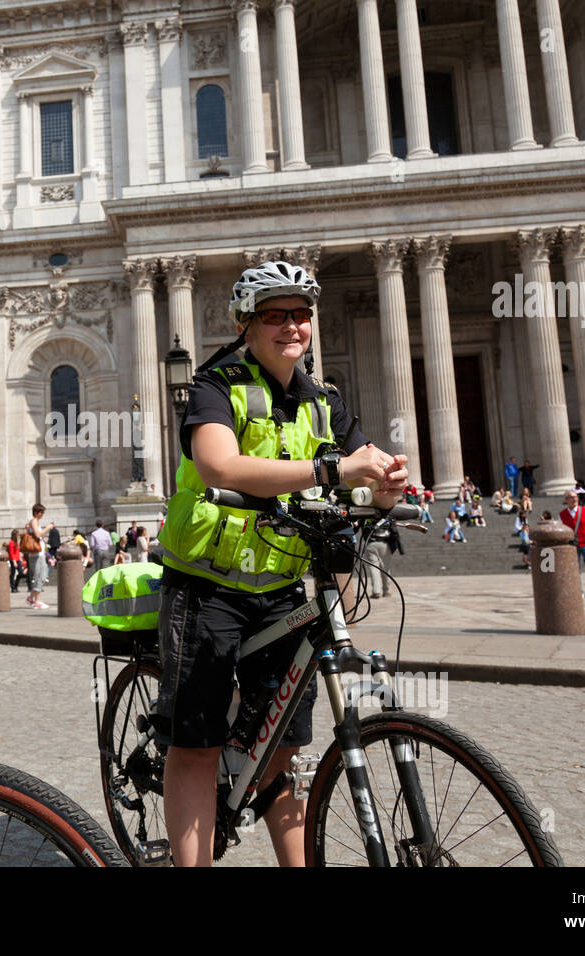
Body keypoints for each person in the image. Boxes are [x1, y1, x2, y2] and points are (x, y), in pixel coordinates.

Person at [156, 259, 407, 867]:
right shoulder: (217, 386)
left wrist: (389, 487)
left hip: (281, 585)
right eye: (275, 315)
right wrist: (331, 472)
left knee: (279, 748)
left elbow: (362, 470)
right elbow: (219, 465)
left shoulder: (326, 402)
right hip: (206, 585)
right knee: (198, 744)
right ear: (247, 325)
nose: (291, 326)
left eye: (300, 314)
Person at [24, 504, 48, 609]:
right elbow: (38, 535)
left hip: (40, 554)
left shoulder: (35, 522)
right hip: (35, 555)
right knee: (39, 576)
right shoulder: (33, 521)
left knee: (42, 577)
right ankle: (36, 600)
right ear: (37, 512)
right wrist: (48, 528)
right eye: (41, 512)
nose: (42, 515)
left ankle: (31, 598)